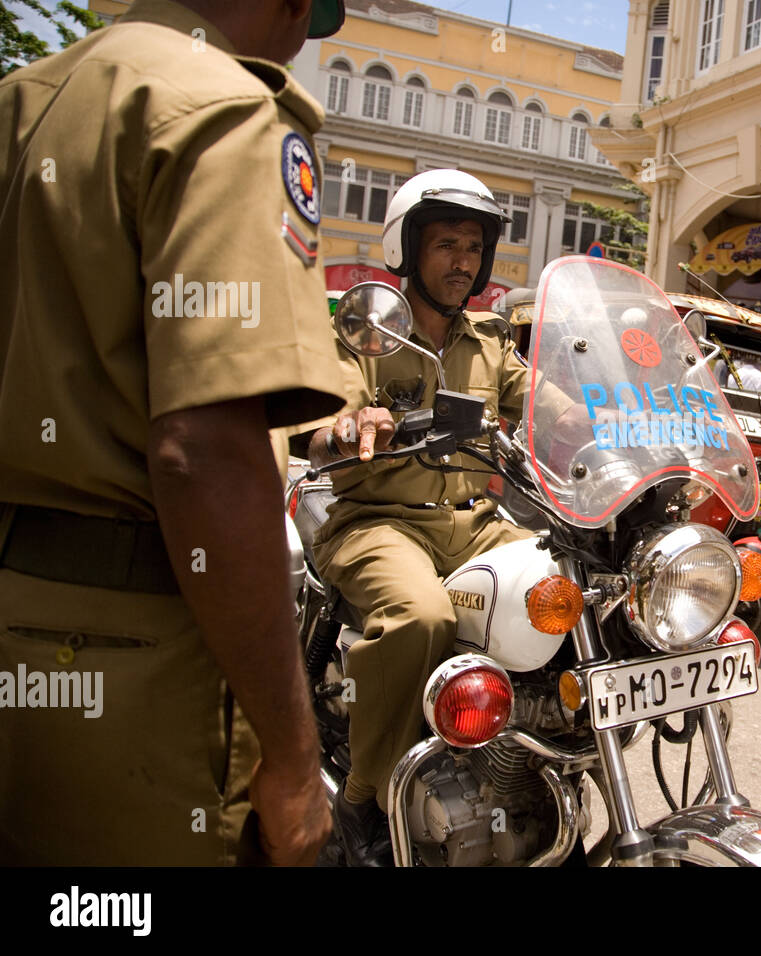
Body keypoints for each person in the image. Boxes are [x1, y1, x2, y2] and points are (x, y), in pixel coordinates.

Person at [0, 0, 350, 865]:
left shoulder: (24, 96)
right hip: (133, 664)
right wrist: (296, 763)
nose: (304, 34)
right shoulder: (223, 108)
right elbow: (203, 455)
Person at [300, 169, 537, 866]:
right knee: (422, 616)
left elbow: (548, 399)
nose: (462, 260)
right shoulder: (366, 331)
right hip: (378, 520)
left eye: (472, 246)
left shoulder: (491, 341)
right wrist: (350, 424)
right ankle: (363, 801)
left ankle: (533, 761)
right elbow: (328, 413)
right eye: (446, 244)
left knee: (569, 590)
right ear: (409, 248)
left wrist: (614, 411)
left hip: (475, 523)